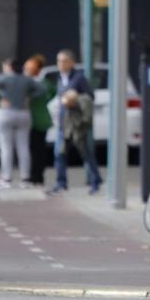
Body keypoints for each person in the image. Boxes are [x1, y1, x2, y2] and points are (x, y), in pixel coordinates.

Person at [0, 58, 45, 189]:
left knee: (6, 147)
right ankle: (25, 179)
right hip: (23, 113)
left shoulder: (6, 78)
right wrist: (29, 96)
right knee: (23, 147)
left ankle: (6, 178)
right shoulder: (26, 79)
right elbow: (41, 89)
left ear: (10, 67)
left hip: (6, 112)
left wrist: (2, 94)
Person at [50, 49, 102, 195]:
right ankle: (61, 183)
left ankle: (95, 181)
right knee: (59, 154)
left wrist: (75, 99)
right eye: (59, 61)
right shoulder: (60, 78)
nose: (60, 64)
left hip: (76, 124)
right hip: (63, 123)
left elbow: (90, 96)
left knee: (85, 153)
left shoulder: (79, 78)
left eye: (64, 61)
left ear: (72, 63)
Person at [23, 54, 54, 186]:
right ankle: (35, 175)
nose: (27, 70)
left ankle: (36, 176)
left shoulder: (40, 83)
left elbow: (51, 92)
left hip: (37, 119)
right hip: (36, 118)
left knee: (37, 149)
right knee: (35, 148)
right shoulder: (39, 82)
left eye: (30, 67)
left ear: (37, 69)